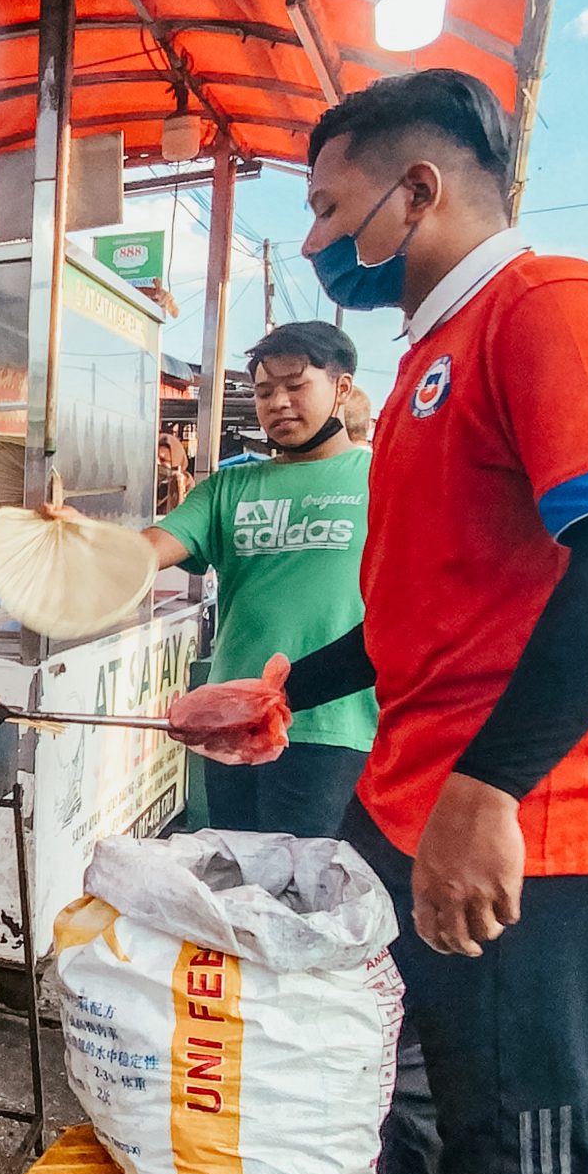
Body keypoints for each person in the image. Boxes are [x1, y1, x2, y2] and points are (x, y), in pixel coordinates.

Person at [203, 69, 588, 1174]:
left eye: (327, 207)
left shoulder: (554, 309)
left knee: (512, 1146)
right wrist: (281, 693)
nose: (312, 241)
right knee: (402, 1092)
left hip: (544, 820)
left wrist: (491, 789)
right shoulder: (429, 361)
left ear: (415, 191)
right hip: (414, 792)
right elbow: (426, 615)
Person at [146, 322, 374, 837]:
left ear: (341, 388)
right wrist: (79, 544)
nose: (278, 404)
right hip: (234, 723)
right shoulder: (230, 486)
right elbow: (155, 547)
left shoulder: (382, 480)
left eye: (296, 387)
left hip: (335, 727)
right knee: (237, 887)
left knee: (308, 898)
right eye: (265, 391)